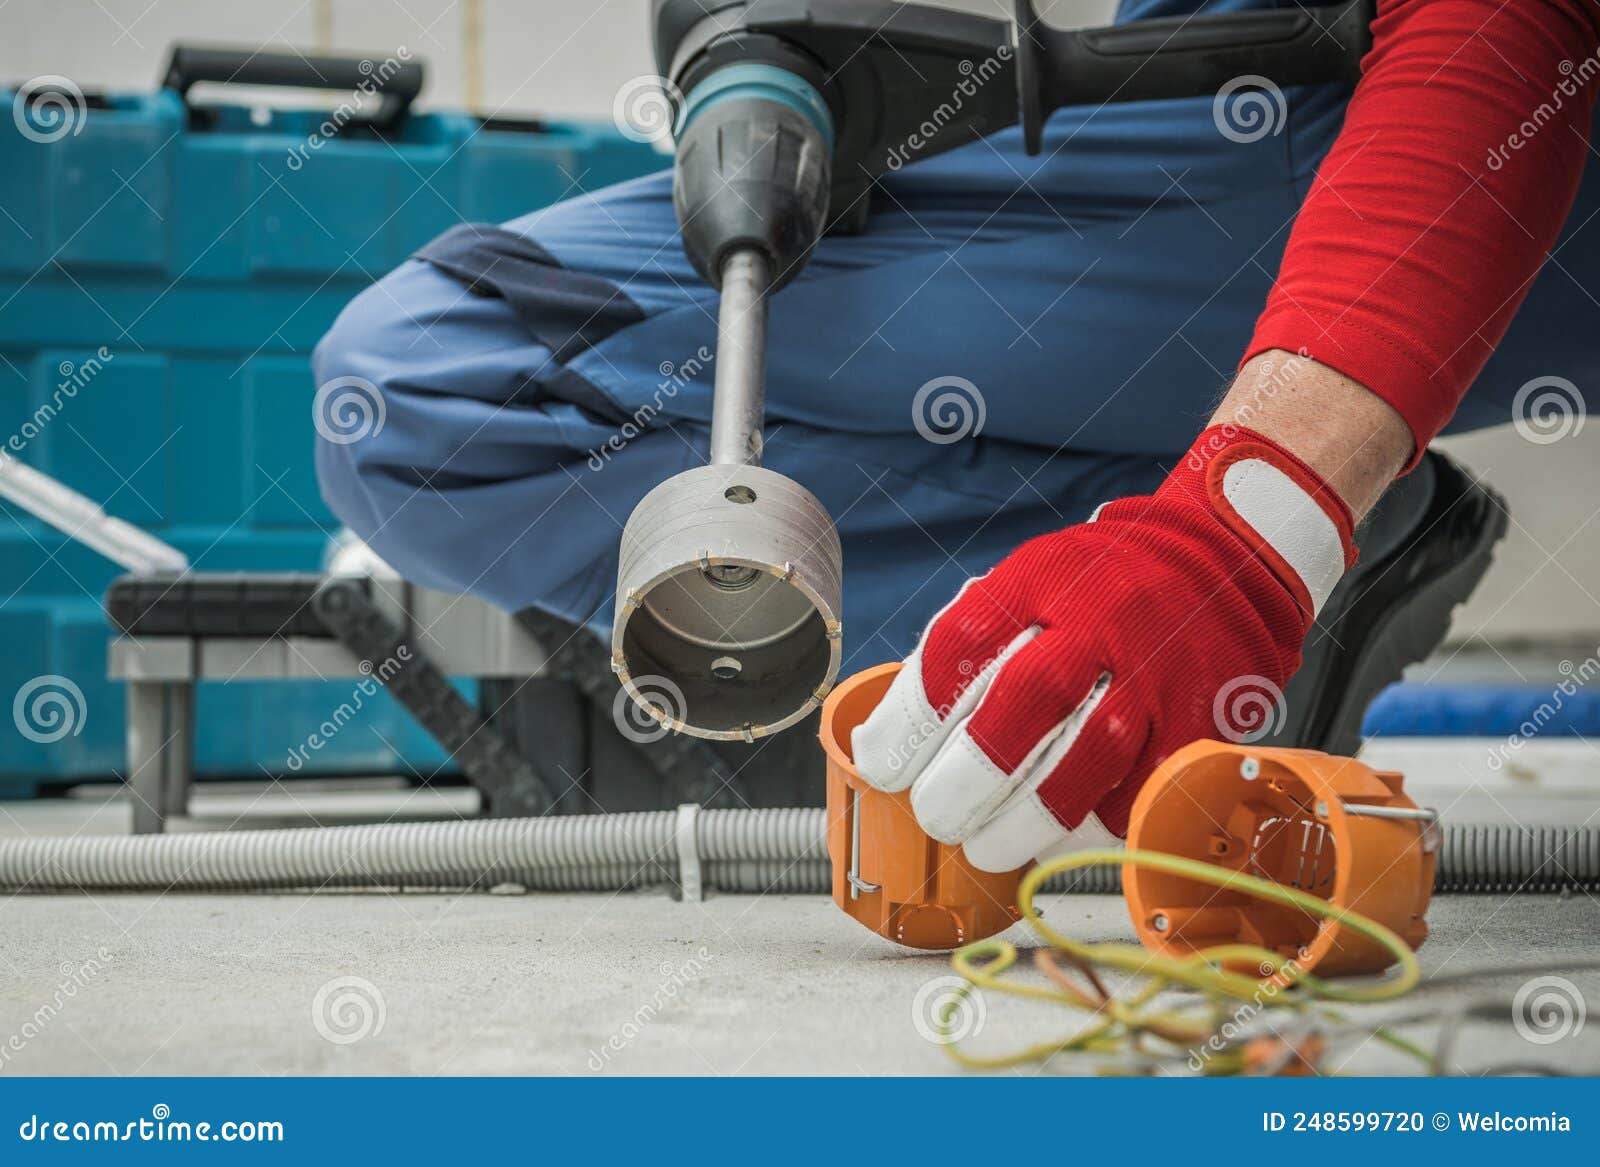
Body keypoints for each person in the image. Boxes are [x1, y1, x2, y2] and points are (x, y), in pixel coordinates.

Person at [313, 0, 1600, 859]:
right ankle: (1277, 574)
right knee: (418, 400)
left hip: (1457, 115)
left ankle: (1276, 544)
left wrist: (1244, 526)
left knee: (438, 376)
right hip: (1216, 92)